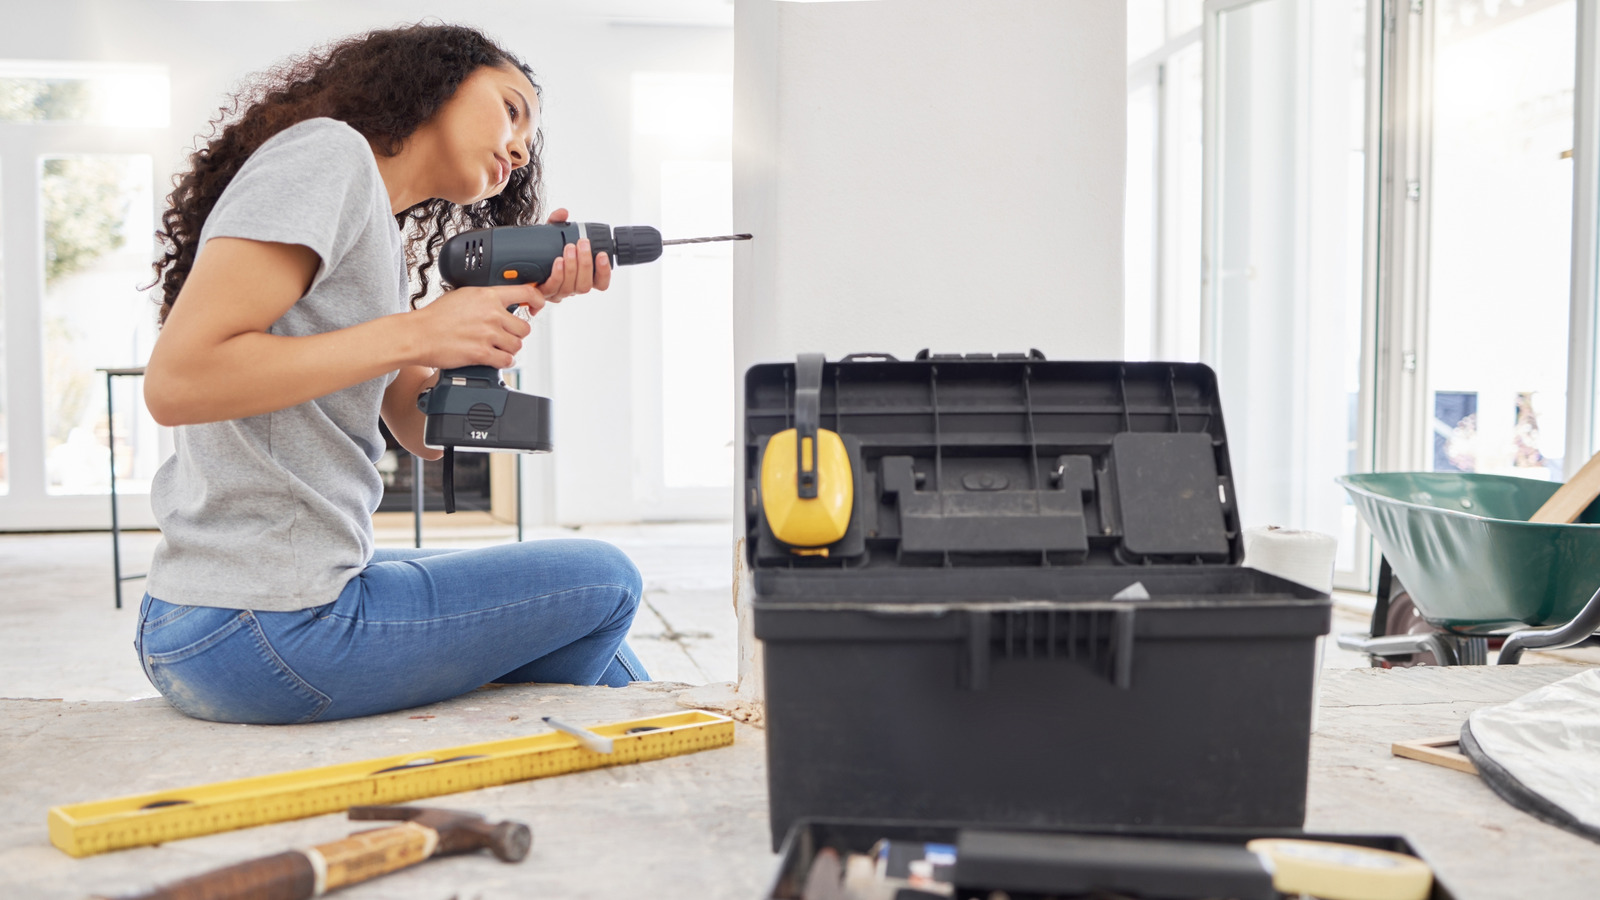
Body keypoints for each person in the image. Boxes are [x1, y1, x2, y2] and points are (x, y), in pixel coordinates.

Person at [137, 23, 649, 725]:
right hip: (264, 622)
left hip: (229, 619)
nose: (524, 145)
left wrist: (499, 311)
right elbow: (178, 383)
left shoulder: (381, 229)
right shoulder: (329, 154)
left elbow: (421, 431)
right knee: (605, 580)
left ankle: (646, 730)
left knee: (561, 615)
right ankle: (630, 744)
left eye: (530, 134)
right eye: (510, 108)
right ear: (436, 82)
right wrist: (422, 328)